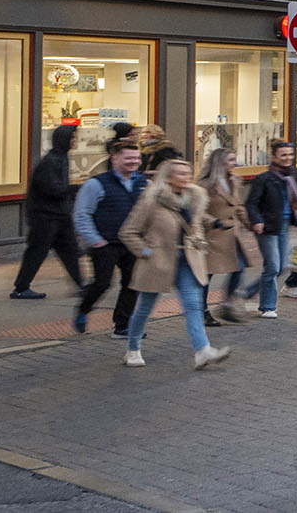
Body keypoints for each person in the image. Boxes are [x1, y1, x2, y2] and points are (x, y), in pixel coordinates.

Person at [117, 158, 231, 369]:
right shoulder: (152, 200)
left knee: (193, 305)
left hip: (188, 259)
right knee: (145, 308)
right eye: (180, 173)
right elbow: (128, 231)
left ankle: (203, 351)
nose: (186, 177)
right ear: (168, 177)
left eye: (188, 173)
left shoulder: (194, 198)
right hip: (158, 261)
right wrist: (145, 251)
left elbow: (196, 222)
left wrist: (210, 227)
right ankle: (133, 349)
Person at [71, 139, 150, 337]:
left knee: (132, 283)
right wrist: (95, 240)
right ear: (114, 159)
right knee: (102, 283)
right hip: (105, 243)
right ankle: (83, 310)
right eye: (128, 158)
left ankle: (122, 325)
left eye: (136, 158)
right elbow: (82, 214)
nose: (133, 162)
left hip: (132, 243)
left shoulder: (144, 184)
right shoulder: (96, 184)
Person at [11, 125, 84, 300]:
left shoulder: (61, 158)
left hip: (58, 215)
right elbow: (52, 189)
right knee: (38, 251)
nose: (75, 141)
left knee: (69, 250)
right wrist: (76, 189)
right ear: (64, 140)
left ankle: (81, 285)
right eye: (72, 138)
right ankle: (21, 287)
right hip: (45, 216)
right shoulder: (50, 162)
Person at [197, 148, 259, 325]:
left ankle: (228, 304)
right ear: (220, 162)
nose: (235, 163)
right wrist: (213, 221)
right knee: (207, 275)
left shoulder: (234, 181)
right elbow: (197, 211)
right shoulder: (204, 185)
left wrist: (248, 222)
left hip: (232, 234)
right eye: (231, 160)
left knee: (239, 267)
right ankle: (202, 310)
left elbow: (237, 206)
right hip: (213, 234)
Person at [245, 141, 297, 317]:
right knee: (272, 266)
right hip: (267, 227)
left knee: (282, 266)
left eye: (290, 154)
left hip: (283, 225)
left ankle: (249, 291)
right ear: (274, 157)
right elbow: (251, 203)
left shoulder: (291, 177)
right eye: (283, 155)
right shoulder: (263, 179)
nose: (288, 158)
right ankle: (268, 307)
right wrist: (257, 221)